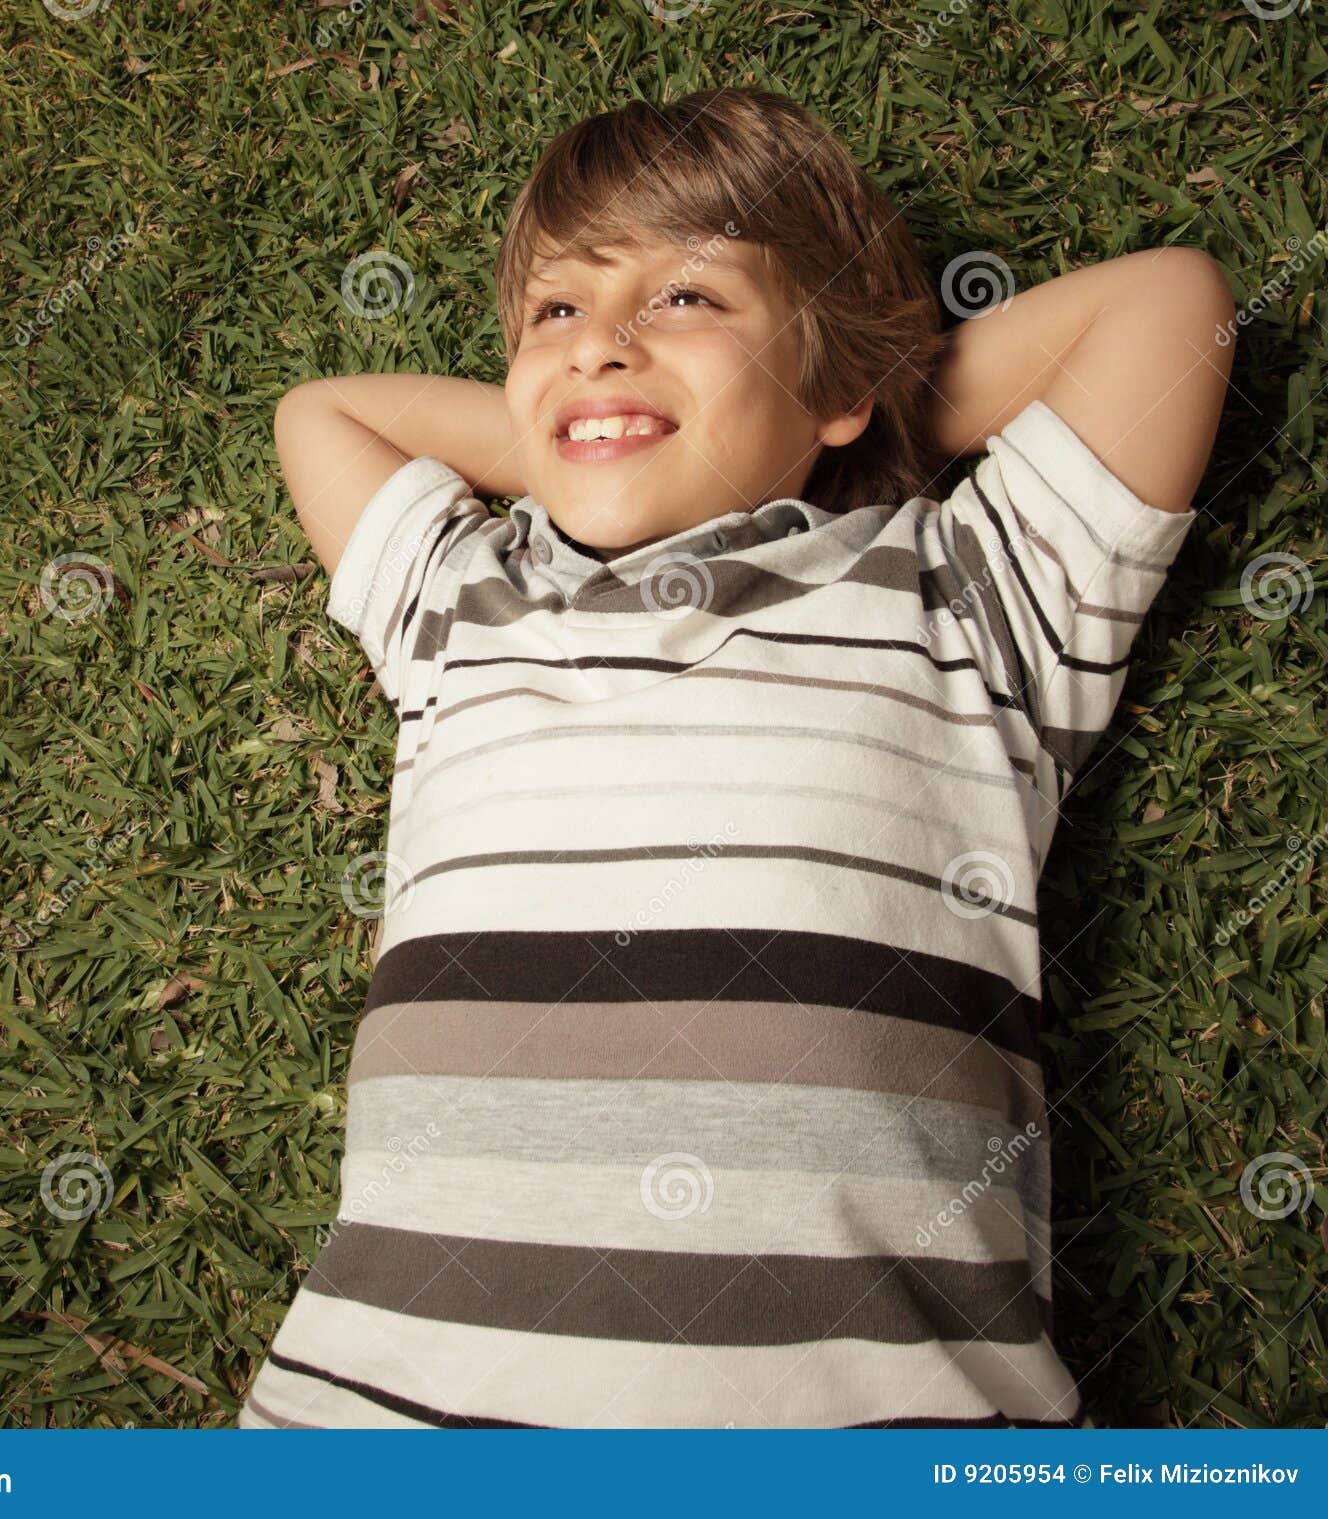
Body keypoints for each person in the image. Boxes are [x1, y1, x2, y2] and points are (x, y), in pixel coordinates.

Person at [239, 87, 1234, 1428]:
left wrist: (868, 410)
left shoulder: (965, 594)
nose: (602, 344)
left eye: (686, 302)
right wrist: (580, 427)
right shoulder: (468, 609)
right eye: (556, 309)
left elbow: (1169, 307)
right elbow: (325, 414)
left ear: (833, 379)